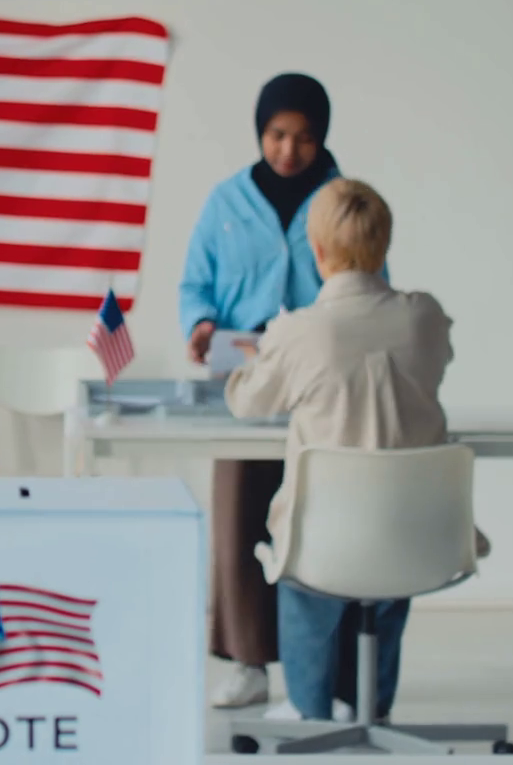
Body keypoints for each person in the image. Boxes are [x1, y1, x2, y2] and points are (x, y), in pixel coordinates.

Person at [224, 180, 451, 722]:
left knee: (308, 573)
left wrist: (260, 355)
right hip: (417, 537)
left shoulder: (300, 331)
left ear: (317, 252)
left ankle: (310, 712)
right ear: (384, 246)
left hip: (325, 544)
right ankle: (370, 707)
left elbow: (246, 402)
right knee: (391, 576)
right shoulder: (425, 317)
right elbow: (438, 357)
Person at [178, 73, 344, 712]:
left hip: (322, 390)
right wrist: (200, 326)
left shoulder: (343, 199)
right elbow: (195, 284)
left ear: (322, 137)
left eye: (304, 138)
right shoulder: (227, 202)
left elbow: (370, 278)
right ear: (260, 132)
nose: (288, 150)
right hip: (243, 387)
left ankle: (321, 673)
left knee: (322, 522)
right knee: (241, 519)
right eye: (277, 134)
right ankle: (247, 662)